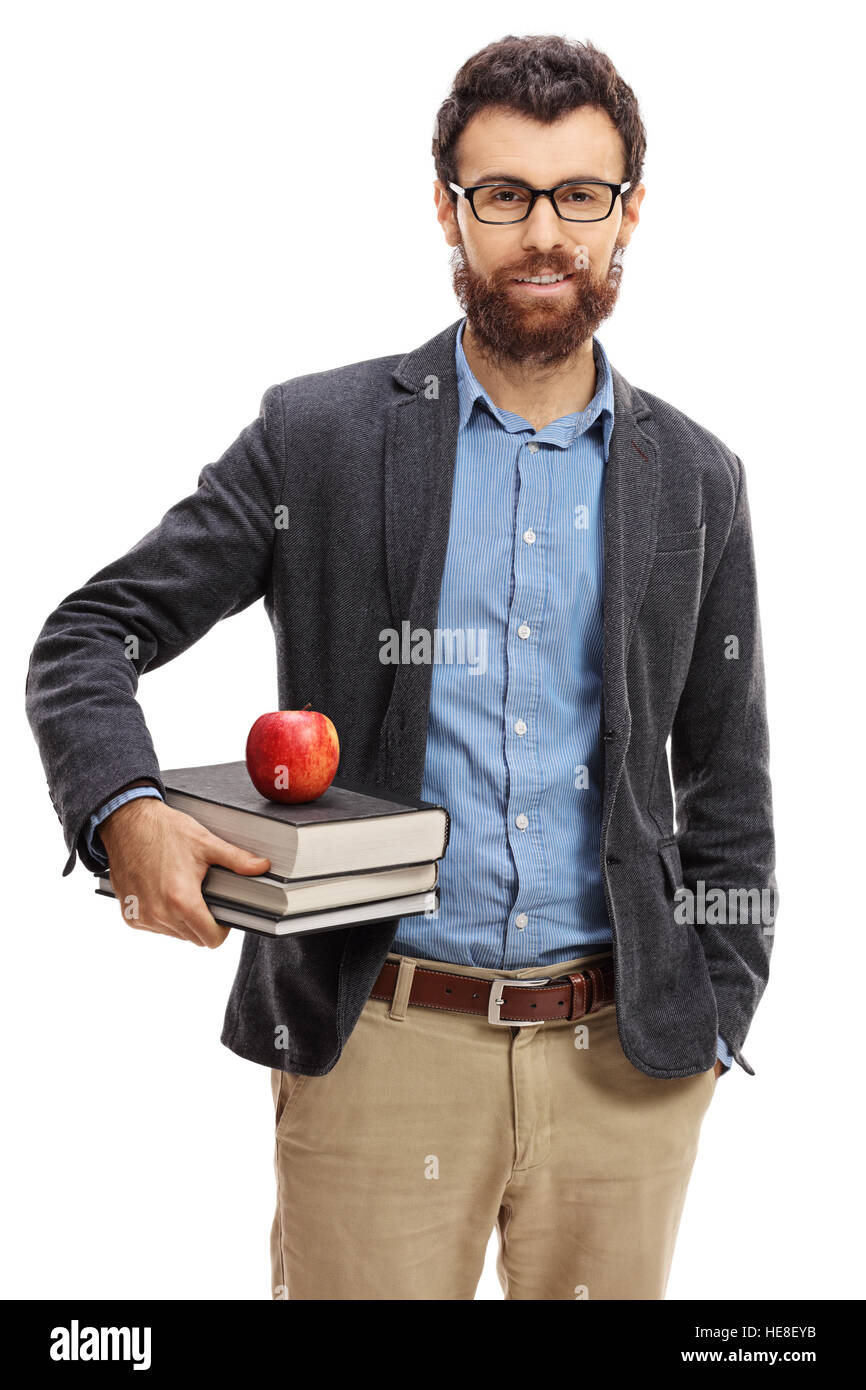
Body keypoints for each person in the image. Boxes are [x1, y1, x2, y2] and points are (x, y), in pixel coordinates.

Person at [26, 34, 777, 1300]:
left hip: (625, 1064)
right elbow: (88, 635)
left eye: (579, 195)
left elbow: (727, 776)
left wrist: (713, 1021)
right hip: (379, 1040)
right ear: (447, 208)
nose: (543, 233)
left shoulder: (697, 477)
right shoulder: (314, 440)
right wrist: (123, 809)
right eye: (503, 195)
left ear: (629, 212)